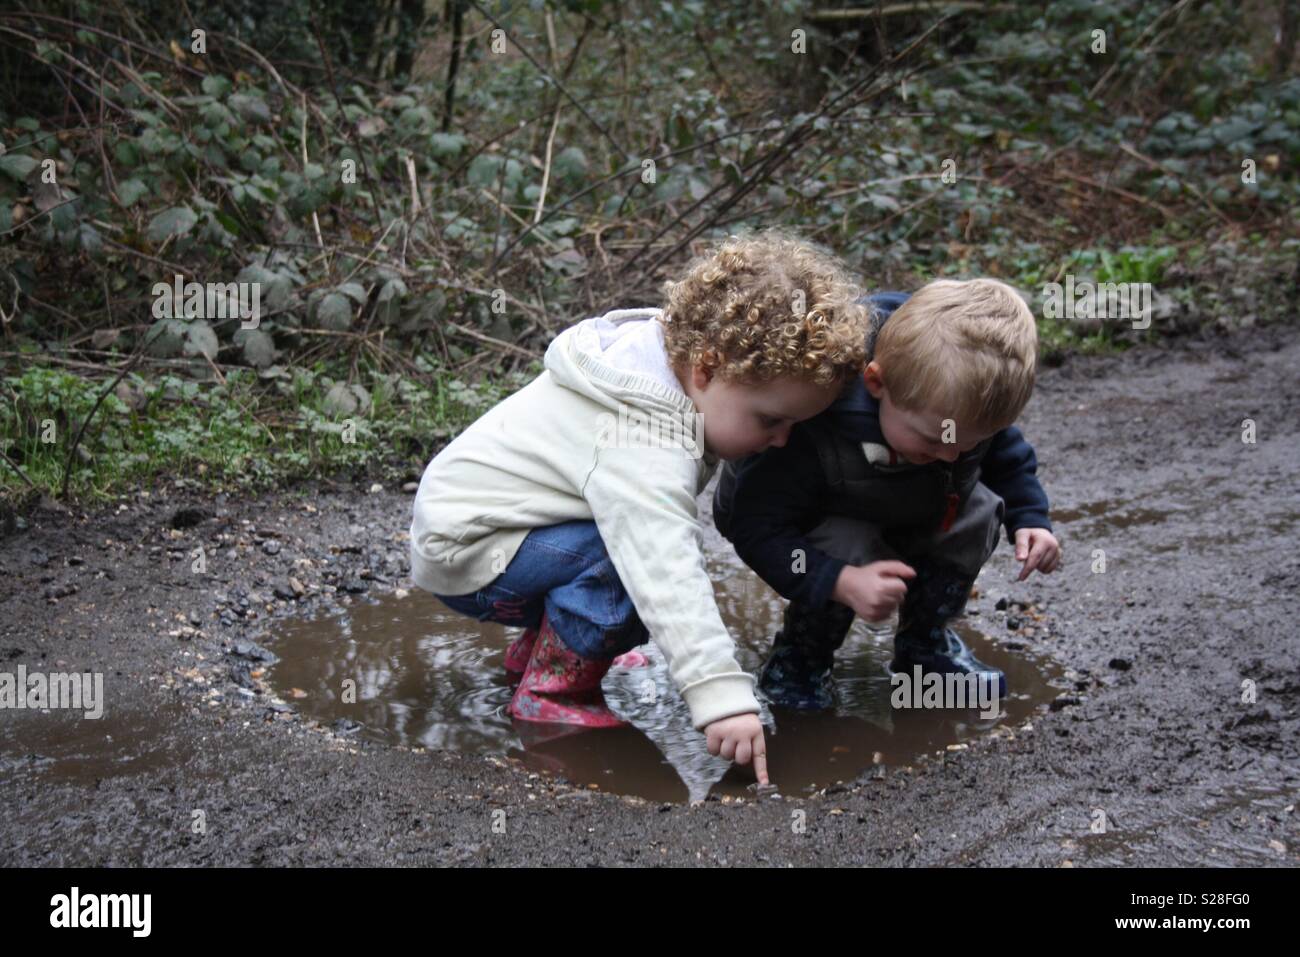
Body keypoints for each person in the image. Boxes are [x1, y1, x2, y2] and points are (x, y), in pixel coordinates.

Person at [409, 230, 872, 784]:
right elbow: (665, 564)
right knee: (630, 568)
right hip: (470, 553)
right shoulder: (641, 434)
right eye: (771, 420)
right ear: (705, 367)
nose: (781, 440)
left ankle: (544, 650)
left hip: (489, 532)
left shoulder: (660, 359)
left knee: (618, 567)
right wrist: (720, 695)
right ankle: (551, 690)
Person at [713, 279, 1062, 710]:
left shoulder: (958, 409)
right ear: (877, 383)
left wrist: (1030, 519)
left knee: (979, 511)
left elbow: (1009, 457)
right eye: (935, 439)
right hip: (821, 519)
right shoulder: (815, 420)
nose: (951, 453)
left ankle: (924, 649)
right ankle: (801, 659)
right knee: (846, 541)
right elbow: (756, 526)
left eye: (971, 441)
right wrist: (839, 580)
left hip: (917, 504)